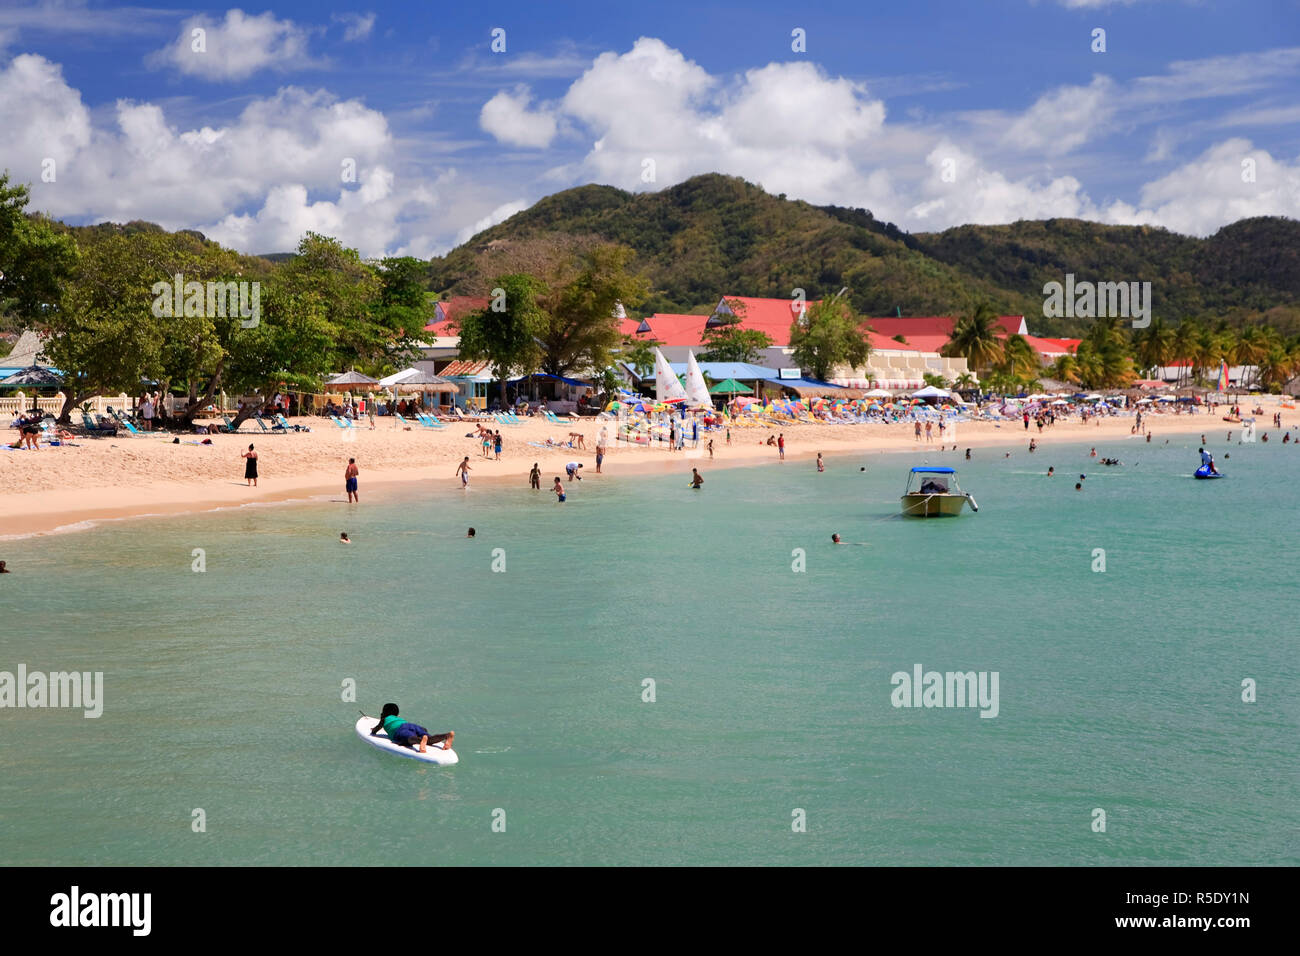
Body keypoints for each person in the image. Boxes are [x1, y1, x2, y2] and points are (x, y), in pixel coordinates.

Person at [371, 703, 453, 754]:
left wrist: (373, 730)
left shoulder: (384, 719)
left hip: (399, 730)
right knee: (429, 739)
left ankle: (420, 741)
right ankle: (446, 736)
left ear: (384, 713)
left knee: (409, 738)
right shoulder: (398, 719)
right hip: (409, 725)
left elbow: (377, 729)